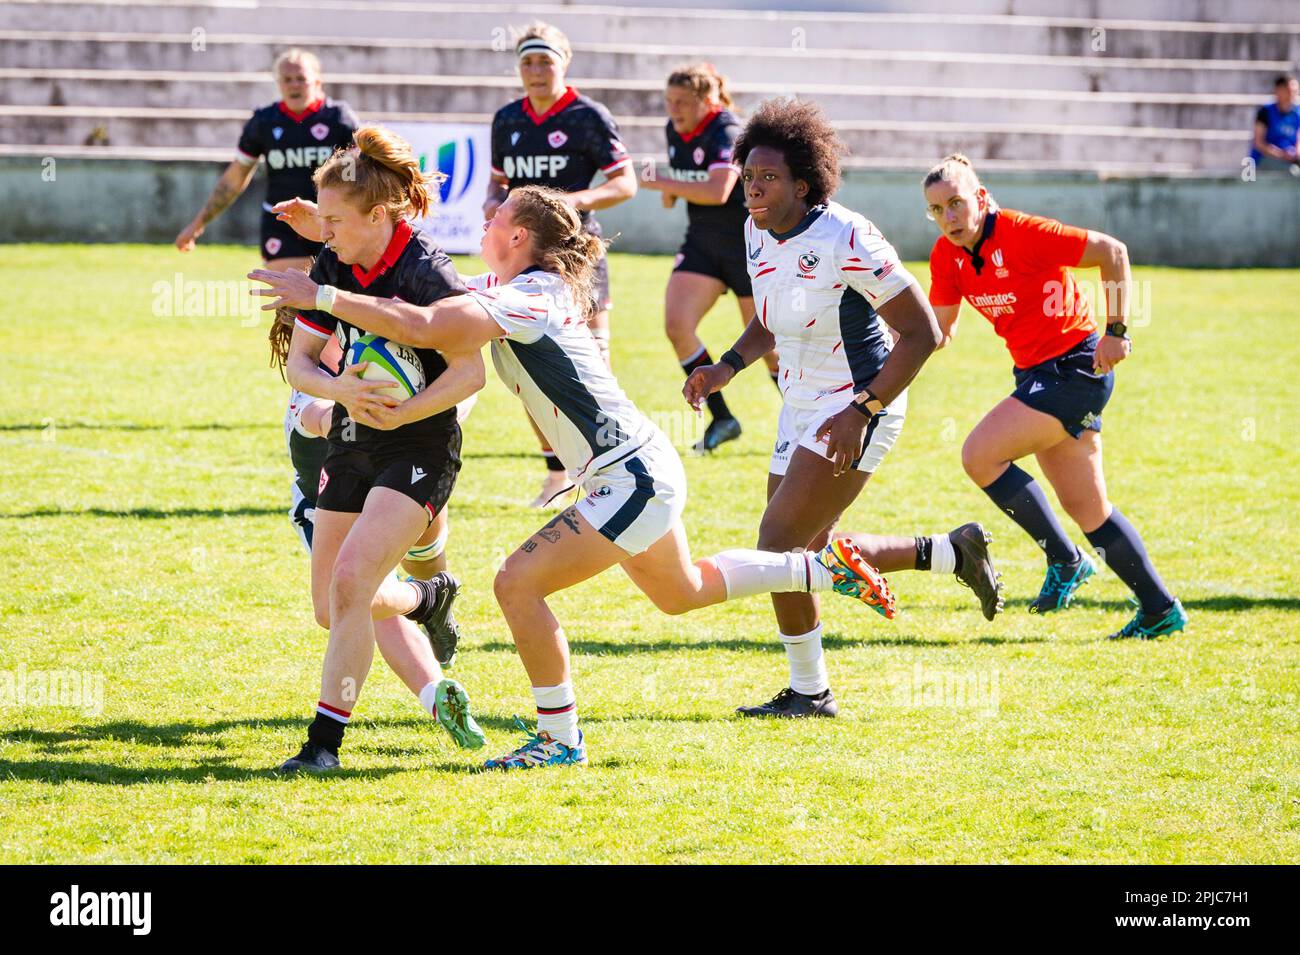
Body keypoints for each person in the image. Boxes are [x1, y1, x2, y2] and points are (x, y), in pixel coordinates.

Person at [251, 184, 914, 770]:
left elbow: (428, 321)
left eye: (494, 215)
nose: (482, 220)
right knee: (683, 592)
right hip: (635, 470)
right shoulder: (508, 291)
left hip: (629, 477)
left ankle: (559, 737)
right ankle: (827, 569)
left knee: (517, 581)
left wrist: (324, 292)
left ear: (517, 236)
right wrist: (338, 230)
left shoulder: (532, 295)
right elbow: (411, 284)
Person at [683, 100, 1003, 718]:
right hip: (800, 402)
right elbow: (772, 321)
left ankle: (811, 691)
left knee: (778, 543)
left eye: (768, 178)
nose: (753, 187)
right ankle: (949, 551)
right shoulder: (755, 229)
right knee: (809, 549)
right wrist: (725, 365)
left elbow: (922, 334)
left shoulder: (846, 236)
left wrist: (864, 407)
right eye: (748, 175)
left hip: (861, 402)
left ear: (803, 185)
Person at [249, 127, 487, 773]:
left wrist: (403, 409)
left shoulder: (427, 269)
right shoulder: (331, 264)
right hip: (353, 434)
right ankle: (426, 596)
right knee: (331, 606)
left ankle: (322, 746)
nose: (321, 232)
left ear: (376, 215)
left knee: (354, 580)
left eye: (332, 220)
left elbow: (471, 373)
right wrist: (341, 391)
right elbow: (299, 365)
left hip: (420, 441)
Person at [922, 153, 1186, 640]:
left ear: (980, 198)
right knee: (1089, 510)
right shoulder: (947, 256)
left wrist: (1118, 331)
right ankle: (1158, 608)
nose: (949, 218)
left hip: (1077, 368)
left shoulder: (1023, 232)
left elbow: (1114, 252)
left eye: (957, 203)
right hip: (1034, 375)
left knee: (980, 455)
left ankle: (1063, 559)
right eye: (937, 210)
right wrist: (883, 338)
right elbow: (941, 330)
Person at [486, 21, 637, 506]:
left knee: (593, 360)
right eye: (527, 61)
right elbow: (496, 185)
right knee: (530, 364)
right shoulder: (507, 119)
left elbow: (625, 182)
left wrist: (573, 201)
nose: (535, 69)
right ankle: (557, 474)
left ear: (563, 62)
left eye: (544, 60)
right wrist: (493, 207)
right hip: (522, 260)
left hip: (578, 254)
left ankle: (612, 462)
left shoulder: (587, 116)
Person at [639, 63, 778, 453]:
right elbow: (677, 192)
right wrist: (668, 188)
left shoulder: (727, 131)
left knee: (770, 346)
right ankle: (723, 417)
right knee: (677, 325)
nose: (674, 110)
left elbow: (719, 190)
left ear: (708, 100)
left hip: (747, 247)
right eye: (669, 102)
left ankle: (804, 424)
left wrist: (662, 182)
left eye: (682, 102)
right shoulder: (675, 130)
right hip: (702, 242)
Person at [176, 49, 358, 271]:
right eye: (287, 79)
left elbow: (356, 177)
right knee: (288, 298)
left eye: (301, 79)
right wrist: (197, 224)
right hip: (281, 221)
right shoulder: (264, 121)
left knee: (330, 300)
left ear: (317, 82)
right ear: (278, 83)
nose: (294, 85)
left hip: (329, 220)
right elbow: (234, 179)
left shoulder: (339, 119)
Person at [1250, 74, 1300, 173]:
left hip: (1290, 160)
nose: (1293, 94)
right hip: (1265, 159)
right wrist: (1281, 154)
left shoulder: (1297, 113)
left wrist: (1295, 154)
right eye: (1290, 90)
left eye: (1296, 91)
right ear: (1279, 90)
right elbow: (1258, 143)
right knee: (1292, 173)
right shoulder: (1266, 112)